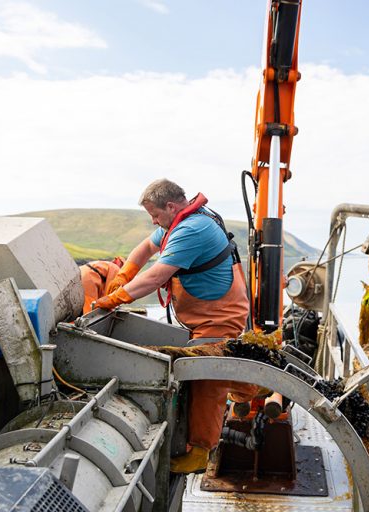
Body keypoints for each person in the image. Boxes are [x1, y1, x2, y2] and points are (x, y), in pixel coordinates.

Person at [94, 178, 258, 473]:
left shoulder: (192, 229)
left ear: (171, 206)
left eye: (155, 215)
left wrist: (118, 297)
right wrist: (126, 272)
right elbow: (146, 247)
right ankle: (247, 389)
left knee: (207, 378)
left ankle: (200, 451)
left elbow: (156, 276)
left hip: (219, 315)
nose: (154, 221)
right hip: (201, 315)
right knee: (210, 371)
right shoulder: (177, 223)